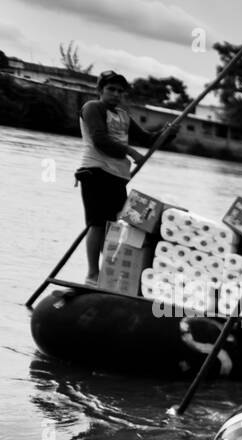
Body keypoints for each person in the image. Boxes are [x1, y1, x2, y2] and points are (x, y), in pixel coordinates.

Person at [75, 71, 149, 285]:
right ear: (100, 90)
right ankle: (92, 274)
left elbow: (146, 137)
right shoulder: (92, 108)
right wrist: (133, 153)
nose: (116, 94)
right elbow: (100, 139)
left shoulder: (123, 115)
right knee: (96, 224)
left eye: (120, 91)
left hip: (117, 175)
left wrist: (167, 133)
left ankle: (108, 273)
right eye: (111, 89)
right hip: (95, 172)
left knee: (112, 225)